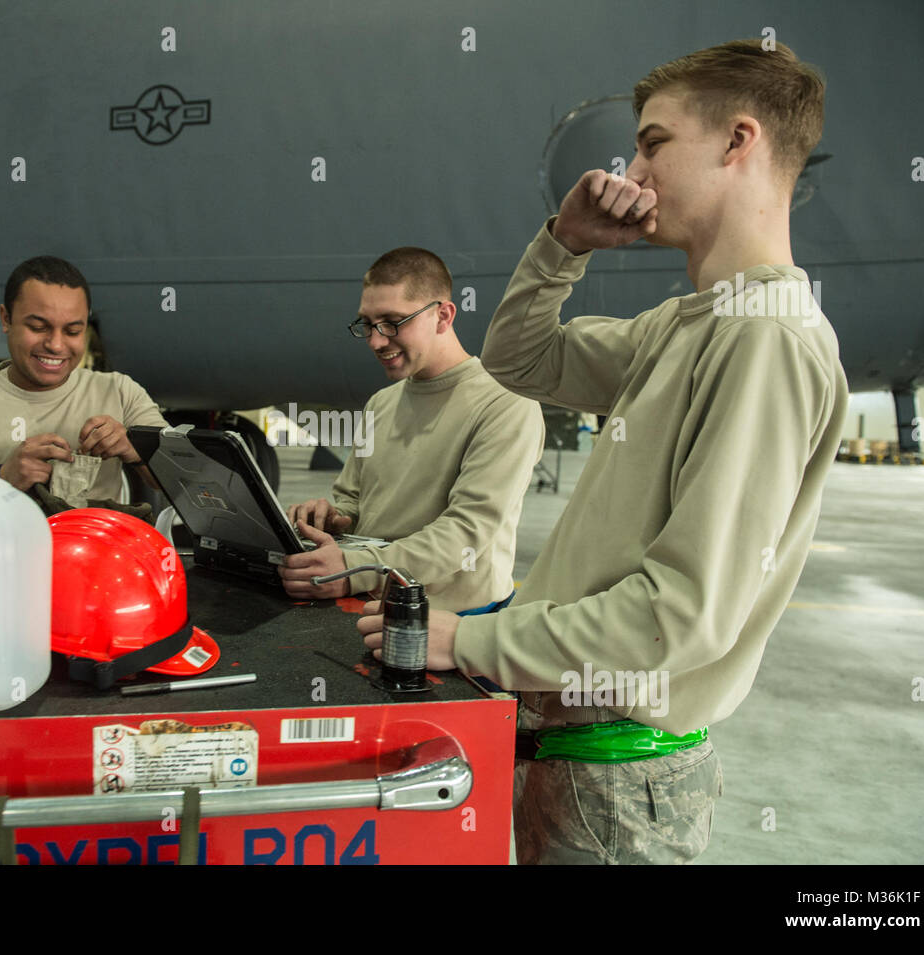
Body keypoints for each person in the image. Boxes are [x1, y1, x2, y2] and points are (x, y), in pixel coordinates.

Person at [360, 40, 848, 864]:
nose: (633, 167)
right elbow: (518, 361)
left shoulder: (764, 341)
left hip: (619, 791)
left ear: (739, 141)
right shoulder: (690, 323)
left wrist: (465, 641)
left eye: (654, 142)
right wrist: (564, 244)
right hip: (580, 768)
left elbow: (678, 614)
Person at [279, 247, 543, 613]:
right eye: (368, 324)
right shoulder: (382, 403)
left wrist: (353, 569)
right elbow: (353, 500)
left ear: (443, 316)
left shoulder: (505, 403)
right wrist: (335, 518)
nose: (375, 341)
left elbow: (466, 534)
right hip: (371, 608)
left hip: (455, 622)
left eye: (392, 322)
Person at [0, 256, 167, 507]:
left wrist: (137, 450)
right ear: (6, 319)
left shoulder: (119, 393)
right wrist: (0, 478)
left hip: (94, 550)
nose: (55, 344)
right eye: (38, 327)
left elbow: (194, 485)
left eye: (72, 331)